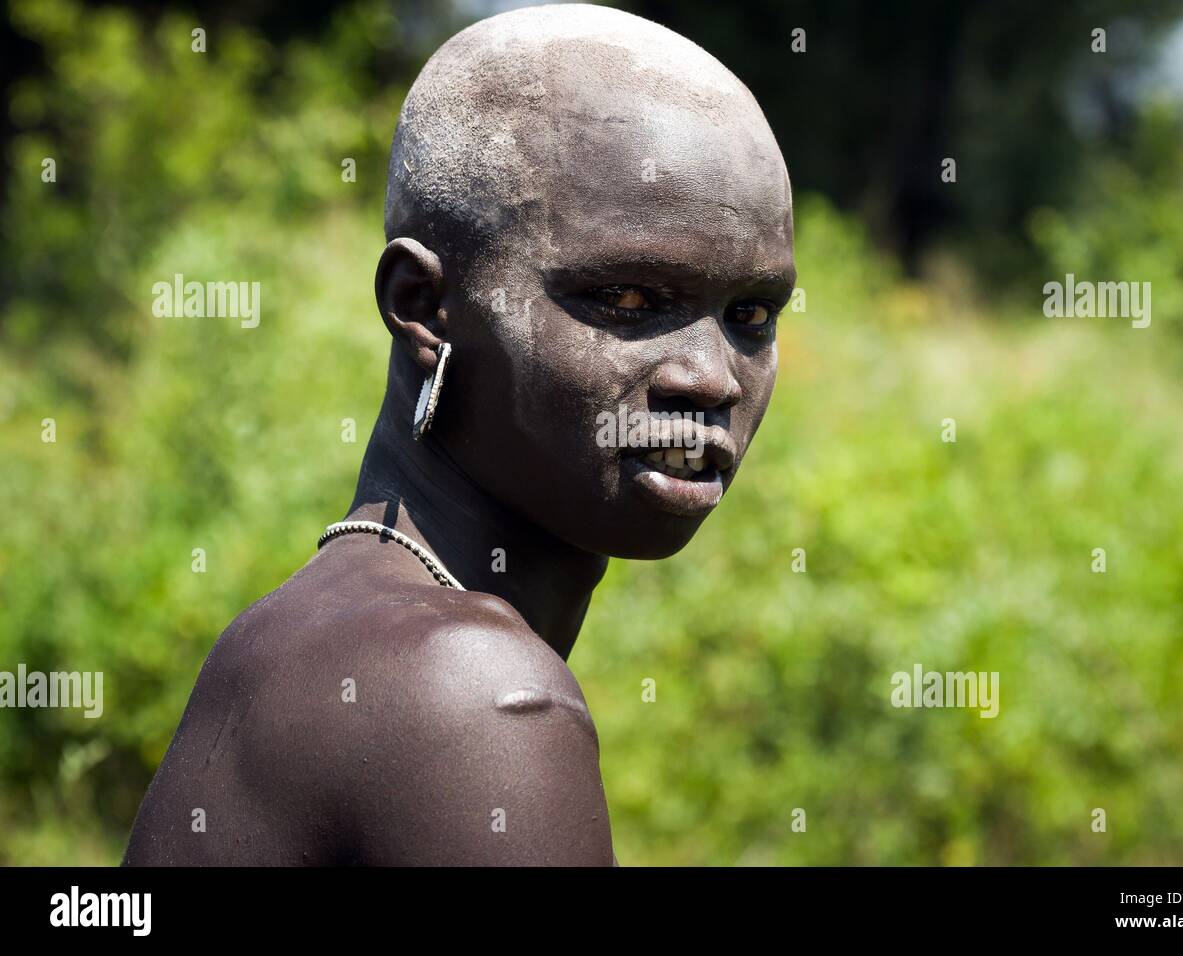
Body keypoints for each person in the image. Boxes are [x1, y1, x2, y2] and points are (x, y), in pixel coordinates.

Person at [123, 2, 795, 866]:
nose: (710, 377)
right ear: (423, 308)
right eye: (627, 300)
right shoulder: (472, 696)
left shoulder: (291, 634)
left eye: (750, 314)